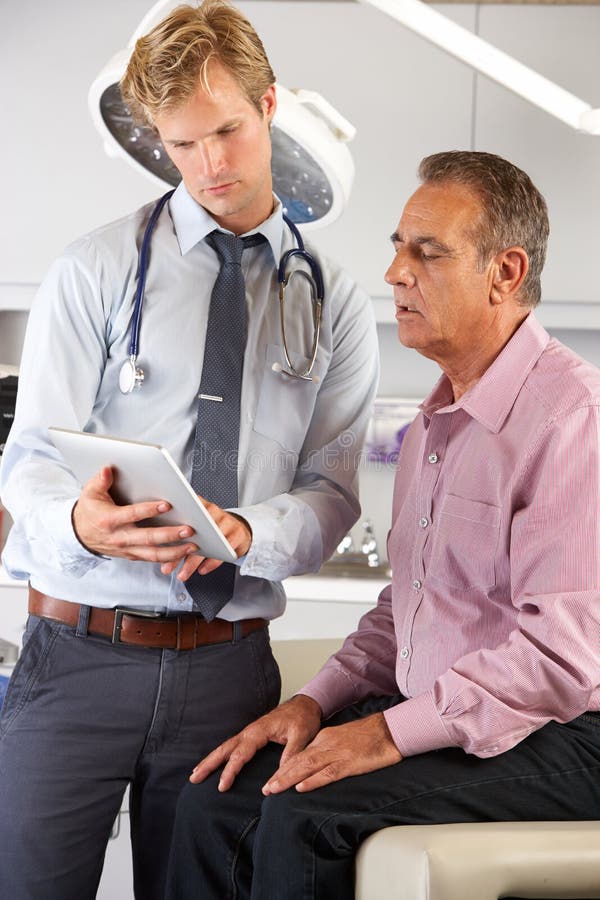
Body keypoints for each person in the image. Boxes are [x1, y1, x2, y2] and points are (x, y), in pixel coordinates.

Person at [0, 2, 379, 898]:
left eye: (227, 131)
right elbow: (28, 464)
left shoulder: (336, 301)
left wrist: (246, 532)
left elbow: (333, 490)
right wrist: (85, 525)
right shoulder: (93, 270)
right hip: (78, 658)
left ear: (270, 106)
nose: (211, 165)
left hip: (227, 671)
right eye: (182, 145)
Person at [165, 150, 600, 900]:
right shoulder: (437, 422)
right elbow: (410, 604)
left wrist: (389, 732)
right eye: (398, 247)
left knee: (309, 817)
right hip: (451, 715)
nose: (397, 272)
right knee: (213, 800)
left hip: (562, 731)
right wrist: (314, 702)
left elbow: (560, 657)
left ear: (505, 272)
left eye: (427, 252)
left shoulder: (573, 420)